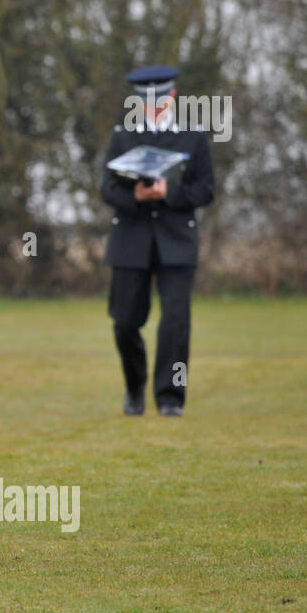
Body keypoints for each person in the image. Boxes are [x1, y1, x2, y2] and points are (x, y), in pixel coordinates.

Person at [100, 64, 215, 417]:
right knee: (125, 322)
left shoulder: (193, 137)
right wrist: (137, 196)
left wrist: (170, 193)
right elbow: (107, 188)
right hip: (131, 241)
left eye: (161, 100)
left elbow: (206, 189)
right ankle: (135, 386)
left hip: (176, 242)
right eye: (147, 101)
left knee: (176, 322)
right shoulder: (123, 136)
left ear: (173, 97)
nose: (155, 106)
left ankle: (169, 397)